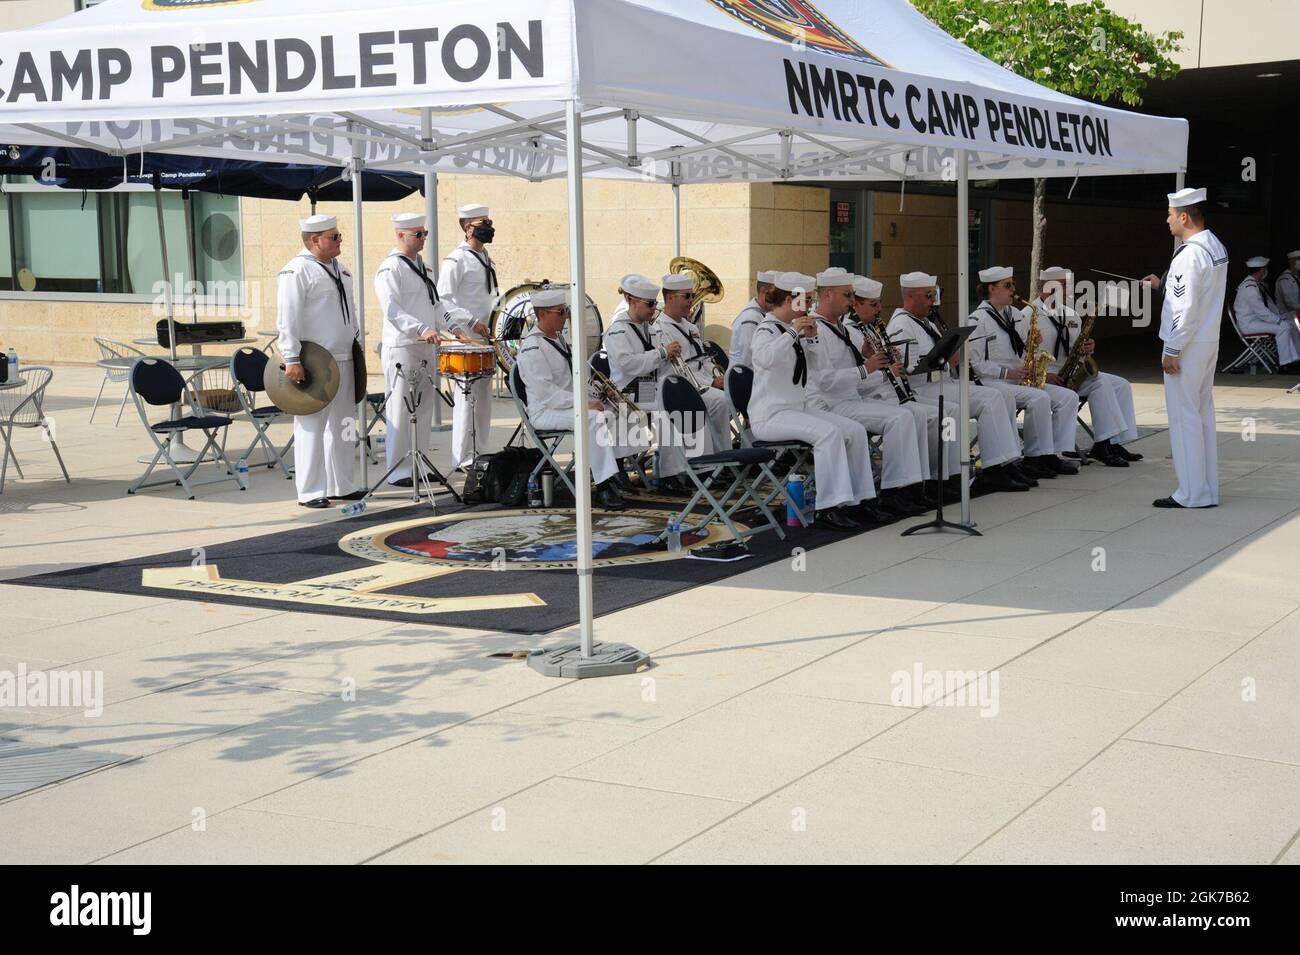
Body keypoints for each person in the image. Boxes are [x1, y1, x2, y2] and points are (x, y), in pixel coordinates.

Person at [750, 271, 884, 530]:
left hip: (798, 408)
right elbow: (764, 360)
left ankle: (861, 500)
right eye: (806, 300)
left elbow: (820, 371)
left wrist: (811, 338)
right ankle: (830, 505)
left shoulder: (797, 328)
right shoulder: (765, 328)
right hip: (770, 415)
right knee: (829, 433)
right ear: (790, 300)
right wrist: (793, 333)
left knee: (854, 430)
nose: (810, 305)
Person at [885, 271, 1032, 493]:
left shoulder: (925, 322)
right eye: (928, 295)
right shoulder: (901, 325)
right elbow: (908, 368)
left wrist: (952, 354)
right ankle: (955, 472)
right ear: (911, 296)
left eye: (934, 294)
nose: (933, 300)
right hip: (923, 388)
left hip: (942, 383)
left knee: (997, 396)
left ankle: (1004, 462)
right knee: (966, 408)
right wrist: (944, 360)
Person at [804, 267, 929, 518]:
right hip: (828, 403)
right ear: (828, 295)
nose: (851, 301)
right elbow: (826, 383)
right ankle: (892, 491)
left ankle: (907, 488)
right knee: (899, 418)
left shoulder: (846, 329)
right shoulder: (814, 330)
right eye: (847, 295)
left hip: (851, 398)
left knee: (910, 415)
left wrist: (885, 372)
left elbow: (861, 382)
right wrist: (866, 369)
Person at [1141, 186, 1229, 508]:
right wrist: (1162, 284)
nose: (1167, 221)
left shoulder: (1190, 254)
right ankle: (1205, 488)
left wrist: (1172, 349)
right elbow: (1197, 294)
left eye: (1169, 215)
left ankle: (1191, 493)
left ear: (1183, 216)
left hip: (1188, 344)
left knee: (1184, 417)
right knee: (1202, 414)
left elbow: (1184, 307)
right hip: (1207, 341)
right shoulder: (1213, 245)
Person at [374, 212, 473, 487]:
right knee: (401, 408)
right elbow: (392, 309)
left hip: (427, 346)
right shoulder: (390, 268)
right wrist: (420, 329)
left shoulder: (425, 267)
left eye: (424, 234)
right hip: (404, 346)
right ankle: (398, 470)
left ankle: (419, 462)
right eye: (418, 234)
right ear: (400, 235)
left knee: (424, 407)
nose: (422, 239)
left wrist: (453, 327)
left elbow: (437, 305)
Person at [845, 275, 963, 497]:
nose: (880, 309)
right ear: (856, 304)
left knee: (948, 413)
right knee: (919, 415)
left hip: (893, 391)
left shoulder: (870, 328)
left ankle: (945, 472)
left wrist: (893, 359)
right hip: (877, 395)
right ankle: (905, 484)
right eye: (874, 305)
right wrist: (886, 370)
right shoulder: (852, 331)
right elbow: (861, 378)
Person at [276, 214, 365, 508]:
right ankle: (311, 490)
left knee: (344, 424)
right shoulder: (297, 271)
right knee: (311, 426)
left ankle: (342, 484)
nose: (340, 241)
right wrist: (291, 357)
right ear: (315, 240)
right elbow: (287, 317)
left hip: (344, 356)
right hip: (314, 360)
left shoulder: (342, 270)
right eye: (334, 237)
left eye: (339, 235)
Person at [514, 286, 627, 511]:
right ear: (543, 314)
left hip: (566, 406)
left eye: (566, 311)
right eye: (561, 312)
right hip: (546, 411)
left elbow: (577, 379)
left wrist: (600, 392)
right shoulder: (532, 347)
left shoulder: (559, 340)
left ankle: (614, 471)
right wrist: (584, 404)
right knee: (594, 418)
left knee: (616, 411)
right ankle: (604, 485)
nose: (566, 317)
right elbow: (548, 393)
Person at [967, 266, 1080, 478]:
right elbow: (976, 364)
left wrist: (1033, 346)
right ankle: (1029, 458)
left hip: (1018, 379)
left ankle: (1048, 454)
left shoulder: (1017, 315)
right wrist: (1007, 373)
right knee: (1038, 397)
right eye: (1007, 285)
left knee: (1068, 397)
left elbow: (1023, 350)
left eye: (1013, 284)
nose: (1013, 290)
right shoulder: (977, 320)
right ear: (991, 289)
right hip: (991, 381)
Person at [1033, 266, 1142, 467]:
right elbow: (1022, 356)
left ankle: (1113, 442)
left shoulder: (1071, 314)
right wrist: (1043, 375)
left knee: (1121, 384)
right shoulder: (1030, 315)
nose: (1070, 291)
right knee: (1100, 382)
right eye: (1065, 286)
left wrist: (1087, 349)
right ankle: (1103, 444)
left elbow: (1076, 352)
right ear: (1048, 287)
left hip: (1069, 374)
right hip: (1045, 377)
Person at [602, 274, 688, 491]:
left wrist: (671, 354)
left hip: (649, 389)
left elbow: (658, 361)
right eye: (650, 304)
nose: (653, 309)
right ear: (632, 301)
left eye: (655, 304)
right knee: (651, 410)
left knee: (677, 405)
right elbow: (628, 364)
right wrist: (661, 353)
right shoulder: (618, 330)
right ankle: (623, 471)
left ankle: (672, 471)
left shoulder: (649, 328)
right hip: (626, 391)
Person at [653, 272, 732, 484]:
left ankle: (722, 462)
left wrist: (718, 376)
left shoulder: (690, 327)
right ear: (670, 298)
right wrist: (709, 383)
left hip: (700, 383)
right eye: (687, 297)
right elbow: (676, 368)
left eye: (691, 296)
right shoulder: (659, 329)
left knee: (722, 401)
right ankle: (707, 466)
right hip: (677, 387)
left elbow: (702, 359)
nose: (691, 302)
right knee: (717, 401)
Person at [437, 202, 497, 470]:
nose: (488, 227)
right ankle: (462, 457)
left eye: (488, 221)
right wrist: (471, 321)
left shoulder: (487, 259)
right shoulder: (456, 259)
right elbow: (443, 299)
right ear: (467, 227)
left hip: (485, 338)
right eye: (482, 223)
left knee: (483, 399)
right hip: (466, 338)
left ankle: (480, 451)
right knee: (466, 398)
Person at [1233, 255, 1300, 372]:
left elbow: (1270, 306)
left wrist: (1280, 316)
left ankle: (1295, 359)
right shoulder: (1250, 287)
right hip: (1250, 324)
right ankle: (1285, 364)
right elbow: (1261, 311)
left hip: (1257, 321)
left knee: (1290, 322)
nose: (1265, 272)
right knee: (1283, 327)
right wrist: (1278, 320)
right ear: (1261, 270)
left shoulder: (1256, 284)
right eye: (1264, 269)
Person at [729, 271, 777, 368]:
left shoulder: (761, 314)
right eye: (776, 295)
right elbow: (748, 358)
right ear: (764, 292)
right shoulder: (751, 318)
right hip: (743, 378)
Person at [1275, 250, 1300, 315]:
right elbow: (1289, 302)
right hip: (1287, 316)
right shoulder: (1285, 279)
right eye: (1298, 259)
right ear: (1291, 261)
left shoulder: (1296, 277)